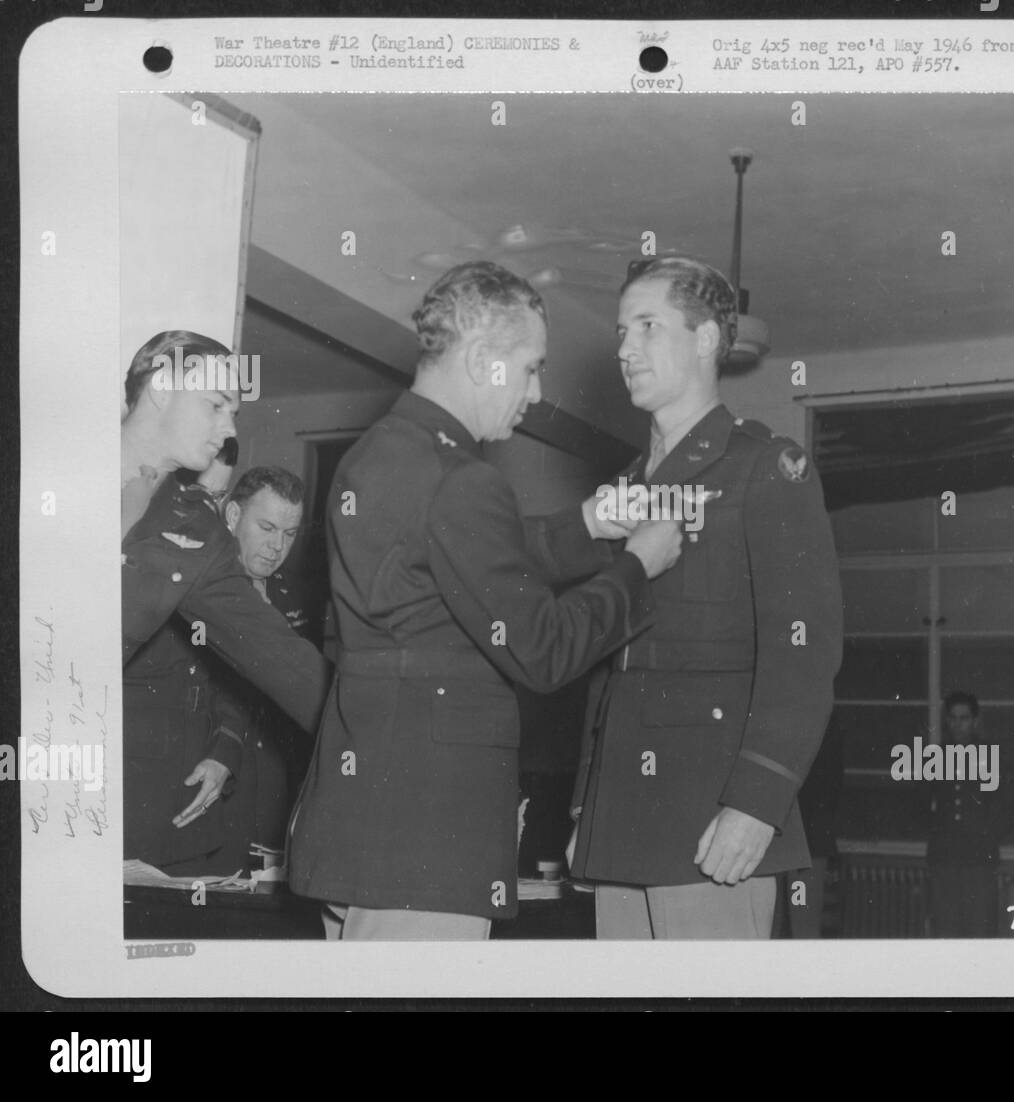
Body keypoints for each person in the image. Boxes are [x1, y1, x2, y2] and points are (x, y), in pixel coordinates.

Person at [287, 261, 682, 941]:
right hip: (429, 843)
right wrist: (638, 566)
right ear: (479, 361)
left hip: (360, 831)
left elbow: (455, 564)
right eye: (529, 367)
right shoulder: (462, 480)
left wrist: (584, 525)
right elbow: (546, 650)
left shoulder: (375, 455)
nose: (535, 392)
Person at [567, 257, 844, 939]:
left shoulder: (764, 468)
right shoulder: (623, 489)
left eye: (648, 327)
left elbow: (803, 654)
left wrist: (757, 802)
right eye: (622, 330)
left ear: (706, 341)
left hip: (712, 821)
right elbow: (614, 668)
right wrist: (586, 808)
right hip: (621, 822)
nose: (625, 348)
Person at [120, 331, 329, 872]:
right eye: (216, 405)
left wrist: (376, 726)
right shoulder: (46, 465)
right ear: (162, 386)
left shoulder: (195, 526)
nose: (231, 428)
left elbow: (277, 654)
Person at [201, 467, 314, 874]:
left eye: (289, 533)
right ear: (232, 517)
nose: (276, 546)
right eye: (266, 527)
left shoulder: (297, 593)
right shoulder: (202, 587)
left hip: (279, 793)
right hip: (217, 785)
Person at [926, 692, 1012, 938]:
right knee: (945, 931)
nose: (958, 724)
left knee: (980, 931)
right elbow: (920, 803)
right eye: (952, 718)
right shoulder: (935, 757)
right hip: (944, 860)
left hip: (980, 860)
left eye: (964, 718)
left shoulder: (991, 756)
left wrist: (989, 833)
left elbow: (1009, 804)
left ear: (975, 721)